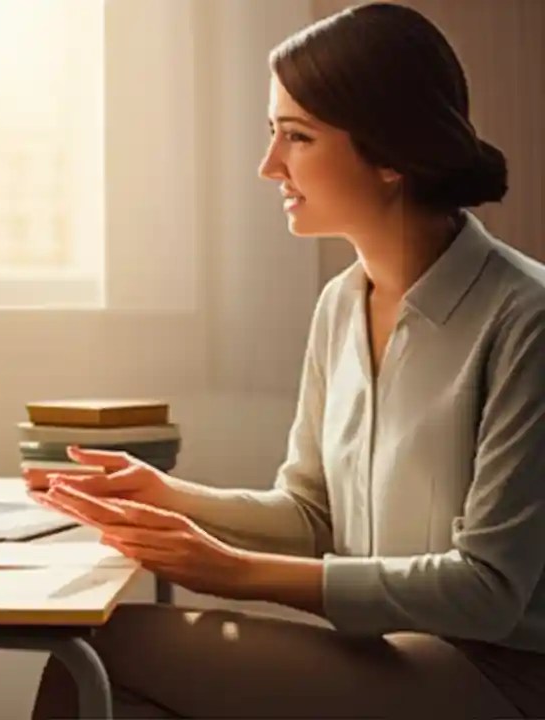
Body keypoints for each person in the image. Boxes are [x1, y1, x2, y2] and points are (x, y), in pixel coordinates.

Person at [28, 3, 545, 718]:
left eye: (296, 137)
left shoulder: (527, 320)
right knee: (116, 689)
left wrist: (234, 573)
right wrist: (170, 497)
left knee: (101, 657)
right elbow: (311, 513)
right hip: (398, 657)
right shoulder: (341, 305)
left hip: (499, 682)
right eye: (273, 133)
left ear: (393, 154)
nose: (269, 165)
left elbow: (488, 592)